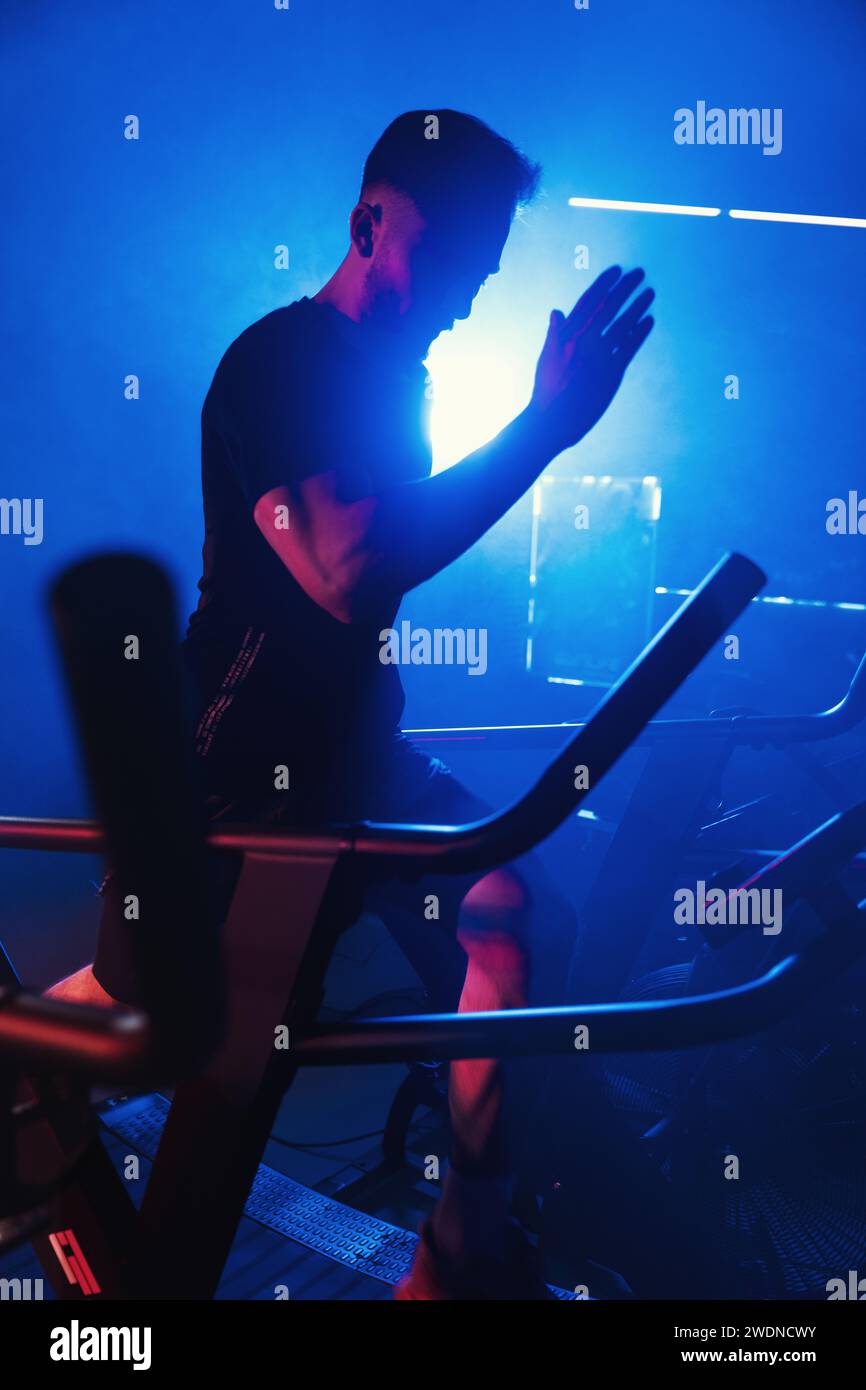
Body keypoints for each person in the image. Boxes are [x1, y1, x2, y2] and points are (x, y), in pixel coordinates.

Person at [47, 110, 654, 1298]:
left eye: (484, 272)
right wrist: (542, 427)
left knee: (519, 916)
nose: (468, 298)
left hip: (354, 757)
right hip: (232, 753)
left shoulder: (399, 379)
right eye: (449, 259)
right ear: (366, 222)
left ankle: (463, 1243)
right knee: (142, 1020)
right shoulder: (281, 362)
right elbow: (341, 568)